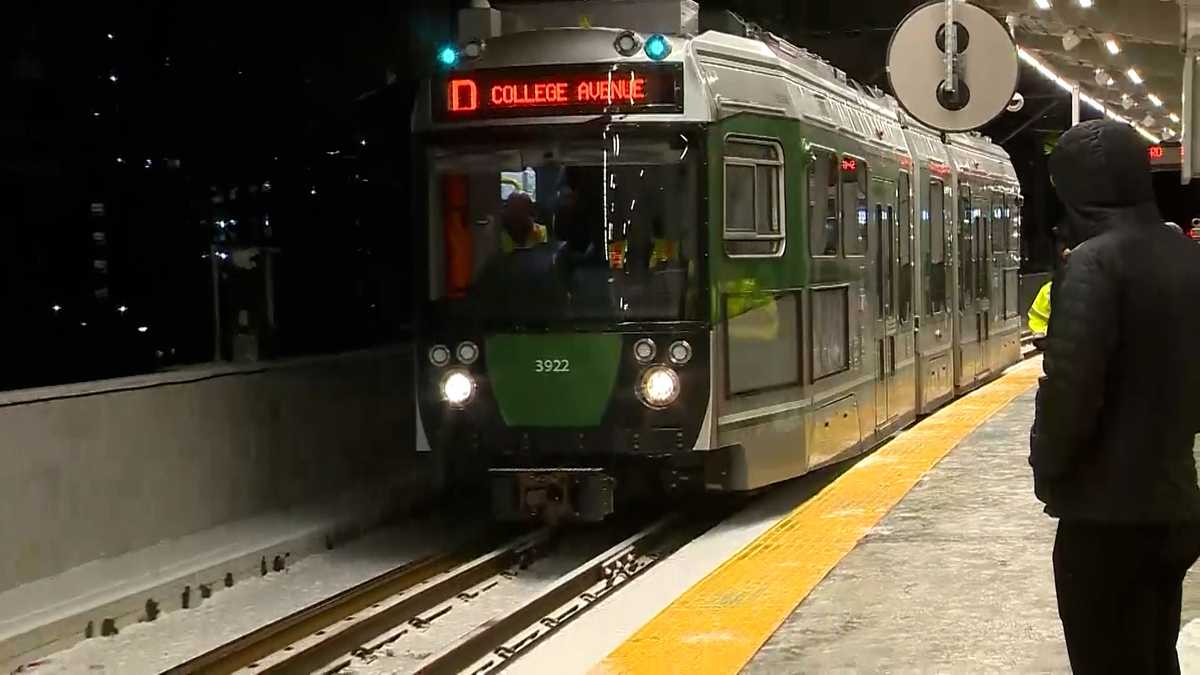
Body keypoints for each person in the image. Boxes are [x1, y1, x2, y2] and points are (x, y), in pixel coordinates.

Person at [1029, 119, 1200, 674]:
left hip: (1105, 518)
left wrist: (1048, 468)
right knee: (1154, 654)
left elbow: (1071, 392)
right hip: (1173, 507)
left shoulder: (1092, 264)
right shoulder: (1186, 258)